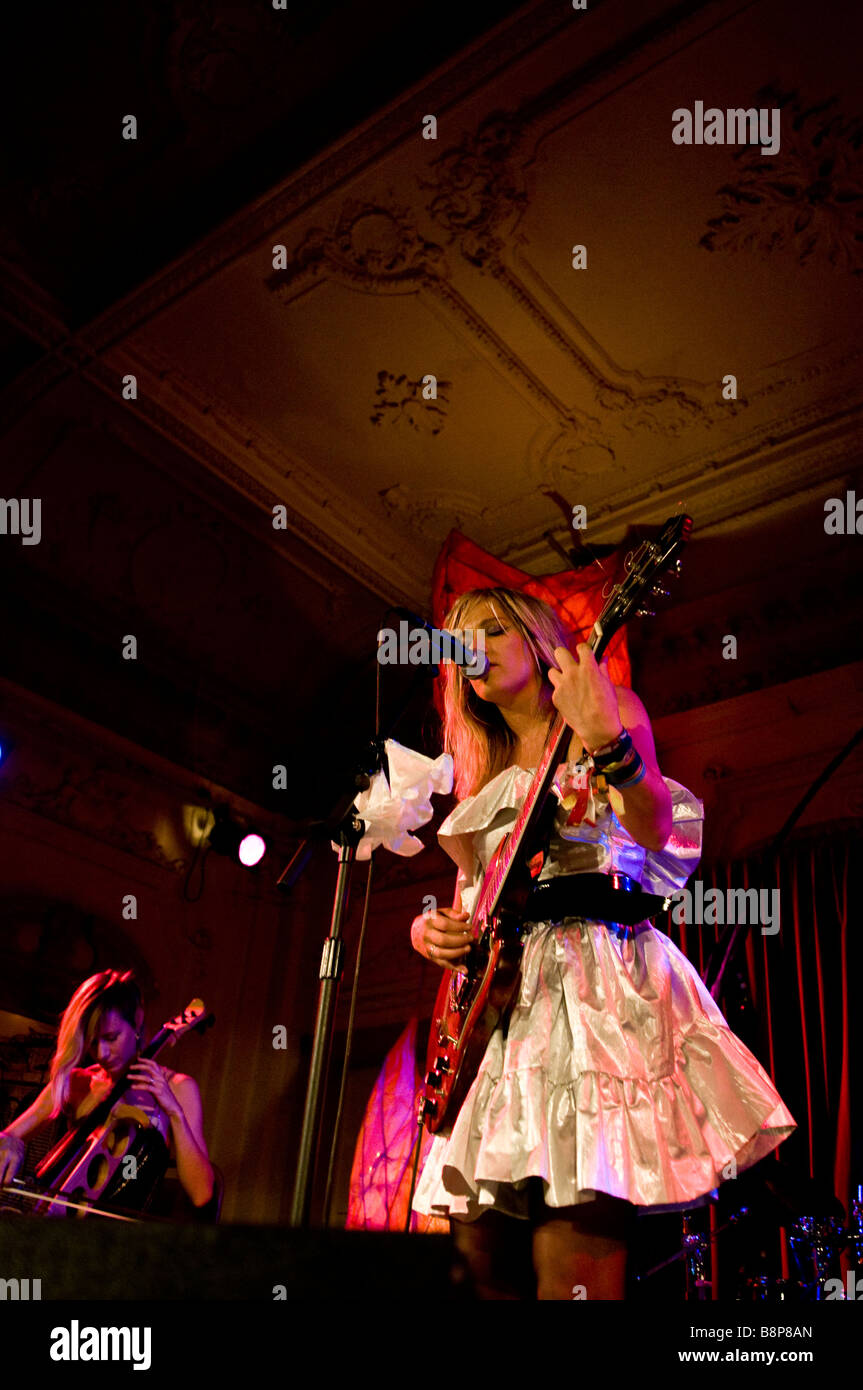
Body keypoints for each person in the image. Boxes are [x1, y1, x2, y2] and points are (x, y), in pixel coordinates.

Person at [409, 587, 795, 1299]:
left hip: (595, 985)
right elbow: (476, 896)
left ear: (536, 637)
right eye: (455, 645)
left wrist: (607, 742)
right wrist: (431, 929)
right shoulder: (482, 769)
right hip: (501, 1013)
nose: (470, 652)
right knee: (479, 1261)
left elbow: (658, 833)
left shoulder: (609, 705)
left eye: (490, 631)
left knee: (575, 1253)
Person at [0, 969, 214, 1214]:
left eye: (111, 1037)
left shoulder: (178, 1087)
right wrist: (10, 1142)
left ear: (137, 1018)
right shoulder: (77, 1081)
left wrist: (174, 1112)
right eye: (92, 1041)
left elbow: (202, 1193)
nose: (101, 1053)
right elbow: (9, 1135)